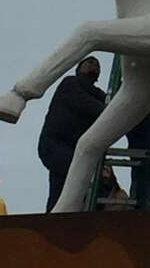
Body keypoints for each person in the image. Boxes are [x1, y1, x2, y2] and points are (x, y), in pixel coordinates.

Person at [37, 56, 106, 212]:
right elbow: (89, 105)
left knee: (61, 189)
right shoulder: (70, 84)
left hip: (71, 149)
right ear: (78, 69)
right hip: (54, 145)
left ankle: (55, 220)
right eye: (89, 62)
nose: (94, 65)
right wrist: (111, 109)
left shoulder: (96, 94)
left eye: (97, 64)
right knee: (74, 180)